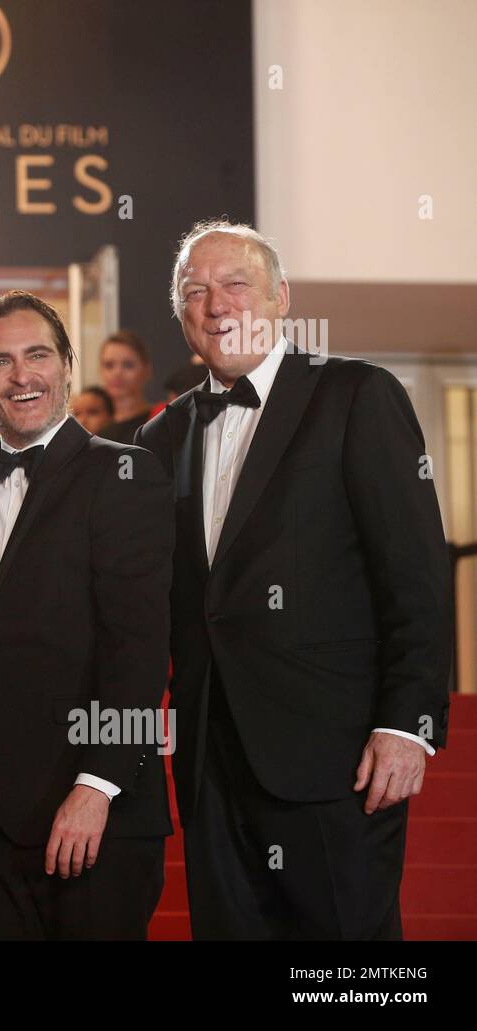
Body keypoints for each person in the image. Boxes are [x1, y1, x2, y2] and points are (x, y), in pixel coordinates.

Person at [135, 220, 451, 939]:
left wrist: (408, 721)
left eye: (234, 284)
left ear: (281, 297)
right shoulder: (157, 439)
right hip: (212, 764)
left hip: (334, 758)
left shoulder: (355, 395)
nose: (215, 304)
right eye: (195, 291)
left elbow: (416, 575)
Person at [0, 290, 174, 939]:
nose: (22, 375)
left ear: (67, 363)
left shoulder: (126, 474)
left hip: (96, 816)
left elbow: (140, 648)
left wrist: (98, 786)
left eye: (37, 354)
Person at [97, 330, 155, 443]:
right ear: (100, 370)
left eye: (128, 365)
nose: (117, 373)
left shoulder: (160, 421)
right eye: (109, 365)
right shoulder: (96, 431)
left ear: (147, 370)